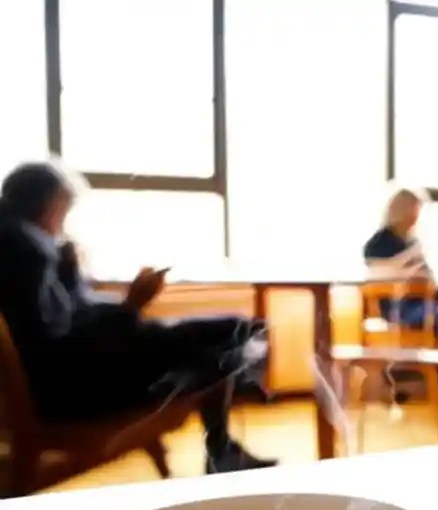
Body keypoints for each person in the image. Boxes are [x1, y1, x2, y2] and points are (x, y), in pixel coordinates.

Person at [0, 161, 276, 473]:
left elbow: (69, 315)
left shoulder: (25, 242)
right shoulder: (26, 250)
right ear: (46, 203)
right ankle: (222, 431)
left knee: (231, 338)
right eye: (63, 206)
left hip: (92, 366)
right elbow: (58, 349)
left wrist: (92, 284)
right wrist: (130, 306)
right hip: (83, 388)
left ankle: (222, 439)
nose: (64, 218)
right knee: (233, 339)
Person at [362, 185, 438, 338]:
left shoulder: (410, 242)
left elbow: (423, 273)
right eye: (414, 209)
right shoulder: (378, 244)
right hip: (398, 307)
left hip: (420, 301)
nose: (416, 216)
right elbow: (382, 276)